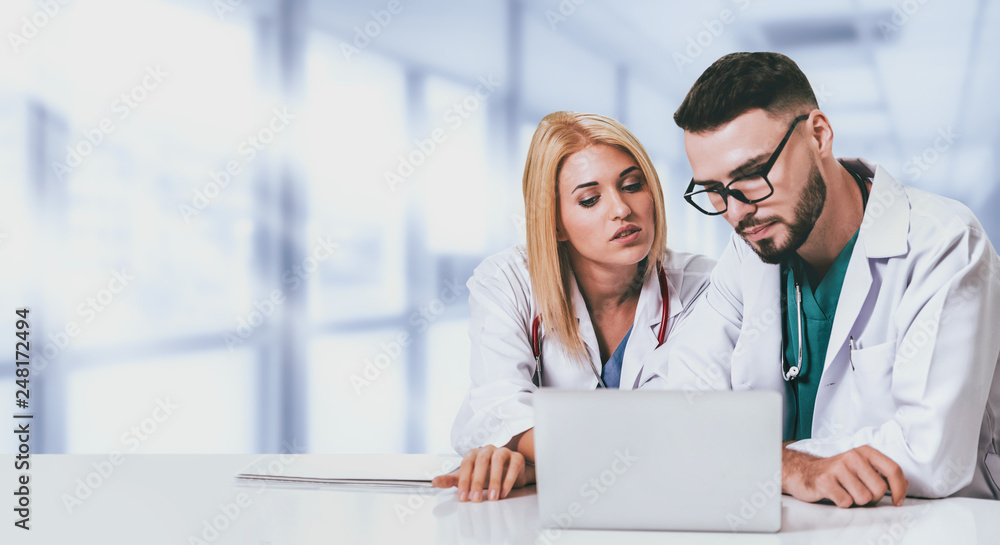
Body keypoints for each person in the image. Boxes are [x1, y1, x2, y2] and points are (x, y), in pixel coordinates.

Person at [641, 52, 1000, 507]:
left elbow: (930, 457)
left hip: (928, 524)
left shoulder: (943, 243)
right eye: (714, 191)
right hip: (790, 519)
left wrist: (755, 458)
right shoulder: (749, 252)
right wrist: (789, 468)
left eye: (751, 175)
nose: (735, 212)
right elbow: (680, 412)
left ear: (819, 135)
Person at [431, 111, 715, 502]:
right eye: (589, 199)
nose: (621, 209)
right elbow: (498, 406)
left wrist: (538, 461)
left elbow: (689, 427)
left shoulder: (703, 287)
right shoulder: (507, 281)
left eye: (632, 185)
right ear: (556, 222)